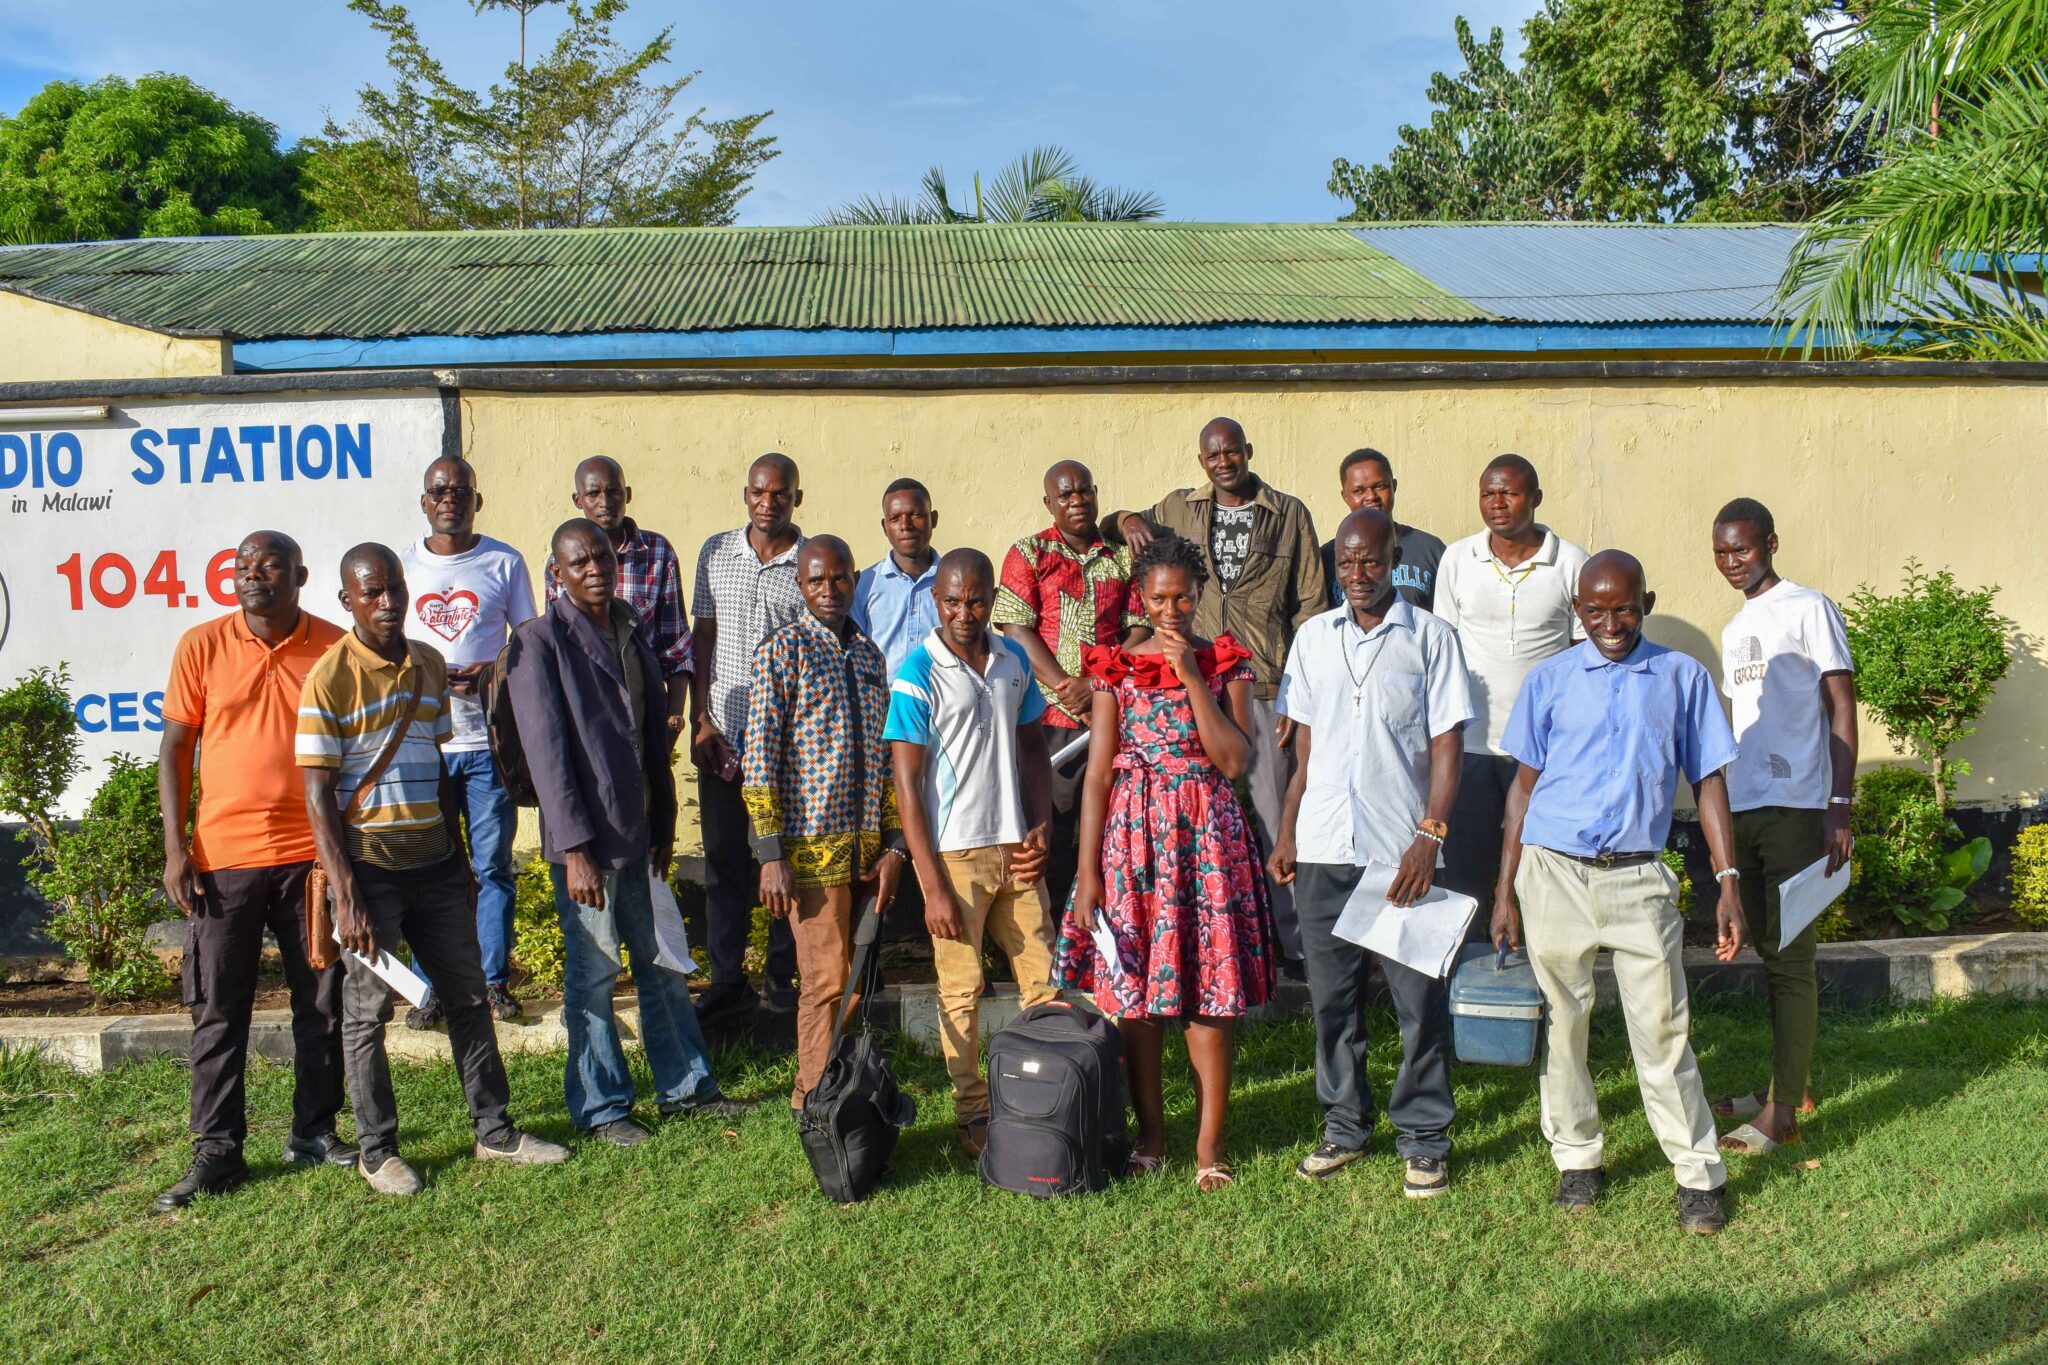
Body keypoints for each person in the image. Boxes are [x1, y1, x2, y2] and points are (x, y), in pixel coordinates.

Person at [299, 544, 567, 1195]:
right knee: (367, 1015)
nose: (388, 602)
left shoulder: (425, 661)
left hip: (438, 869)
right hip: (370, 872)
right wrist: (346, 893)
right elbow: (317, 794)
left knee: (471, 997)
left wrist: (463, 863)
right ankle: (376, 1149)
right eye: (372, 593)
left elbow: (442, 768)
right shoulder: (329, 676)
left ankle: (494, 1130)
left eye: (394, 588)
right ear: (348, 601)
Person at [1492, 550, 1747, 1235]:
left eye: (1624, 607)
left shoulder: (1681, 677)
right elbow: (1522, 790)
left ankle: (1697, 1172)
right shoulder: (1548, 681)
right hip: (1553, 872)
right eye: (1596, 610)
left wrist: (1727, 881)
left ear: (1648, 600)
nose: (1611, 621)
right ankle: (1578, 1158)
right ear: (1578, 610)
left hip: (1638, 876)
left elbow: (1711, 781)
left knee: (1662, 1028)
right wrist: (1504, 892)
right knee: (1564, 1024)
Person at [509, 519, 751, 1145]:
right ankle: (603, 1107)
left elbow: (649, 739)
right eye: (578, 561)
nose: (594, 568)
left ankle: (686, 1089)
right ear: (556, 571)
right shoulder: (539, 642)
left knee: (662, 964)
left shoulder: (629, 627)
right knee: (592, 976)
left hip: (640, 835)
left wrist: (664, 824)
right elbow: (547, 753)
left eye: (601, 558)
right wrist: (575, 851)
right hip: (586, 846)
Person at [1054, 535, 1276, 1192]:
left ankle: (1210, 1145)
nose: (1172, 609)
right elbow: (1095, 776)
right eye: (1158, 597)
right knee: (1140, 1003)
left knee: (1211, 996)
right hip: (1133, 843)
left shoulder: (1222, 660)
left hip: (1206, 838)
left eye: (1183, 595)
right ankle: (1152, 1134)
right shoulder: (1115, 667)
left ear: (1198, 594)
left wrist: (1188, 676)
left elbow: (1236, 760)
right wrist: (1090, 872)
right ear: (1139, 598)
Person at [1270, 508, 1475, 1197]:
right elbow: (1304, 749)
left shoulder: (1431, 637)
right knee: (1333, 1001)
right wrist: (1289, 830)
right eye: (1347, 564)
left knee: (1420, 1003)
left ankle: (1423, 1136)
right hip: (1326, 845)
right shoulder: (1312, 639)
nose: (1359, 576)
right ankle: (1345, 1126)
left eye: (1372, 562)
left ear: (1395, 559)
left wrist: (1431, 833)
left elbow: (1449, 746)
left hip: (1401, 850)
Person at [153, 531, 351, 1212]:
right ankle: (217, 1150)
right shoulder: (201, 645)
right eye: (242, 565)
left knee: (322, 1002)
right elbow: (177, 745)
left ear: (299, 573)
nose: (252, 573)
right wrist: (176, 848)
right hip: (222, 859)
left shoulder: (333, 646)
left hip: (311, 856)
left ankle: (315, 1131)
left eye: (268, 564)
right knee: (218, 1007)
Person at [1113, 417, 1326, 965]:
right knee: (1202, 822)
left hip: (1265, 683)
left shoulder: (1289, 514)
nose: (1224, 461)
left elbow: (1310, 611)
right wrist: (1129, 518)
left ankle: (1295, 949)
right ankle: (1211, 941)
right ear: (1201, 460)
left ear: (1248, 452)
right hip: (1194, 682)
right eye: (1213, 455)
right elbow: (1119, 524)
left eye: (1232, 451)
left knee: (1277, 816)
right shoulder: (1178, 509)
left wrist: (1300, 699)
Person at [885, 548, 1058, 1157]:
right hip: (956, 860)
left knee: (1043, 980)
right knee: (962, 990)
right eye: (953, 600)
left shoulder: (1012, 661)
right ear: (936, 600)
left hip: (1017, 851)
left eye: (977, 599)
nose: (965, 611)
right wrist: (930, 886)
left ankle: (1048, 1095)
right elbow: (906, 785)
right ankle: (972, 1113)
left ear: (991, 599)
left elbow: (1034, 747)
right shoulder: (916, 672)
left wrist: (1041, 825)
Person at [741, 536, 907, 1113]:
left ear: (855, 579)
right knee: (825, 982)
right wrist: (770, 853)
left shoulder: (869, 657)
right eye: (816, 580)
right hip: (808, 857)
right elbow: (759, 758)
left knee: (856, 980)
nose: (829, 590)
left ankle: (842, 1086)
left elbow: (887, 759)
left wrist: (893, 843)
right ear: (799, 585)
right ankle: (814, 1101)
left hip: (865, 853)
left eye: (839, 579)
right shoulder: (781, 653)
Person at [1711, 498, 1857, 1155]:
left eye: (1741, 548)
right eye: (1721, 551)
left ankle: (1782, 1118)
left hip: (1800, 804)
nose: (1732, 561)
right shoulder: (1733, 627)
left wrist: (1839, 803)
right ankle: (1786, 1085)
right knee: (1768, 950)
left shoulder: (1808, 607)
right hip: (1743, 805)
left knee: (1792, 958)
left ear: (1770, 542)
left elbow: (1841, 704)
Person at [397, 454, 536, 1028]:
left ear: (477, 501)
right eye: (439, 490)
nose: (449, 498)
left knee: (492, 866)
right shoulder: (402, 566)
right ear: (424, 502)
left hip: (487, 746)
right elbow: (387, 647)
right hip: (424, 746)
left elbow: (529, 644)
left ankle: (495, 982)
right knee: (429, 871)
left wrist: (491, 670)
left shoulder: (504, 562)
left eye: (461, 490)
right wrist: (428, 673)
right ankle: (431, 989)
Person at [1433, 455, 1590, 923]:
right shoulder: (1458, 559)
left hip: (1546, 751)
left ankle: (1545, 981)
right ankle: (1472, 983)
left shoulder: (1572, 563)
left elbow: (1587, 658)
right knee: (1467, 876)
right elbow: (1444, 653)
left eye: (1509, 493)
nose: (1497, 504)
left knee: (1545, 870)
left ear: (1536, 499)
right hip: (1474, 746)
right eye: (1488, 493)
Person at [993, 460, 1142, 915]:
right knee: (1051, 832)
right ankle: (1053, 940)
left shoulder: (1121, 557)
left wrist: (1096, 684)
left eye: (1084, 492)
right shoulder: (1029, 553)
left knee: (1110, 831)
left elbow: (1137, 628)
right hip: (1048, 720)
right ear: (1049, 504)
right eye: (1065, 495)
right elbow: (1015, 627)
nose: (1076, 502)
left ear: (1096, 494)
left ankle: (1105, 937)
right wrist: (1063, 685)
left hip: (1111, 715)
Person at [690, 453, 806, 1019]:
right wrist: (700, 721)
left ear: (796, 500)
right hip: (724, 740)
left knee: (785, 859)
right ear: (745, 494)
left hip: (788, 746)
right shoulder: (715, 552)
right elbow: (702, 638)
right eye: (759, 492)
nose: (768, 503)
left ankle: (782, 977)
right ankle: (726, 979)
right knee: (723, 863)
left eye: (780, 494)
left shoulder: (812, 561)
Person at [544, 456, 696, 746]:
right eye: (593, 493)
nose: (605, 501)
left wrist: (675, 714)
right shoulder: (562, 560)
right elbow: (556, 642)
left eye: (613, 491)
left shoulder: (657, 552)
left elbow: (675, 643)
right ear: (578, 500)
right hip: (584, 705)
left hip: (643, 702)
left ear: (627, 494)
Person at [1318, 449, 1446, 611]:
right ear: (1345, 496)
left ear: (1394, 486)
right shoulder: (1328, 557)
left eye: (1379, 487)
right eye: (1359, 491)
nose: (1371, 496)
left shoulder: (1430, 548)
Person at [851, 477, 942, 679]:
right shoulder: (866, 585)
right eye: (895, 518)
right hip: (882, 704)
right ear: (885, 526)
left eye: (916, 515)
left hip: (942, 703)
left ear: (933, 519)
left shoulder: (953, 582)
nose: (905, 525)